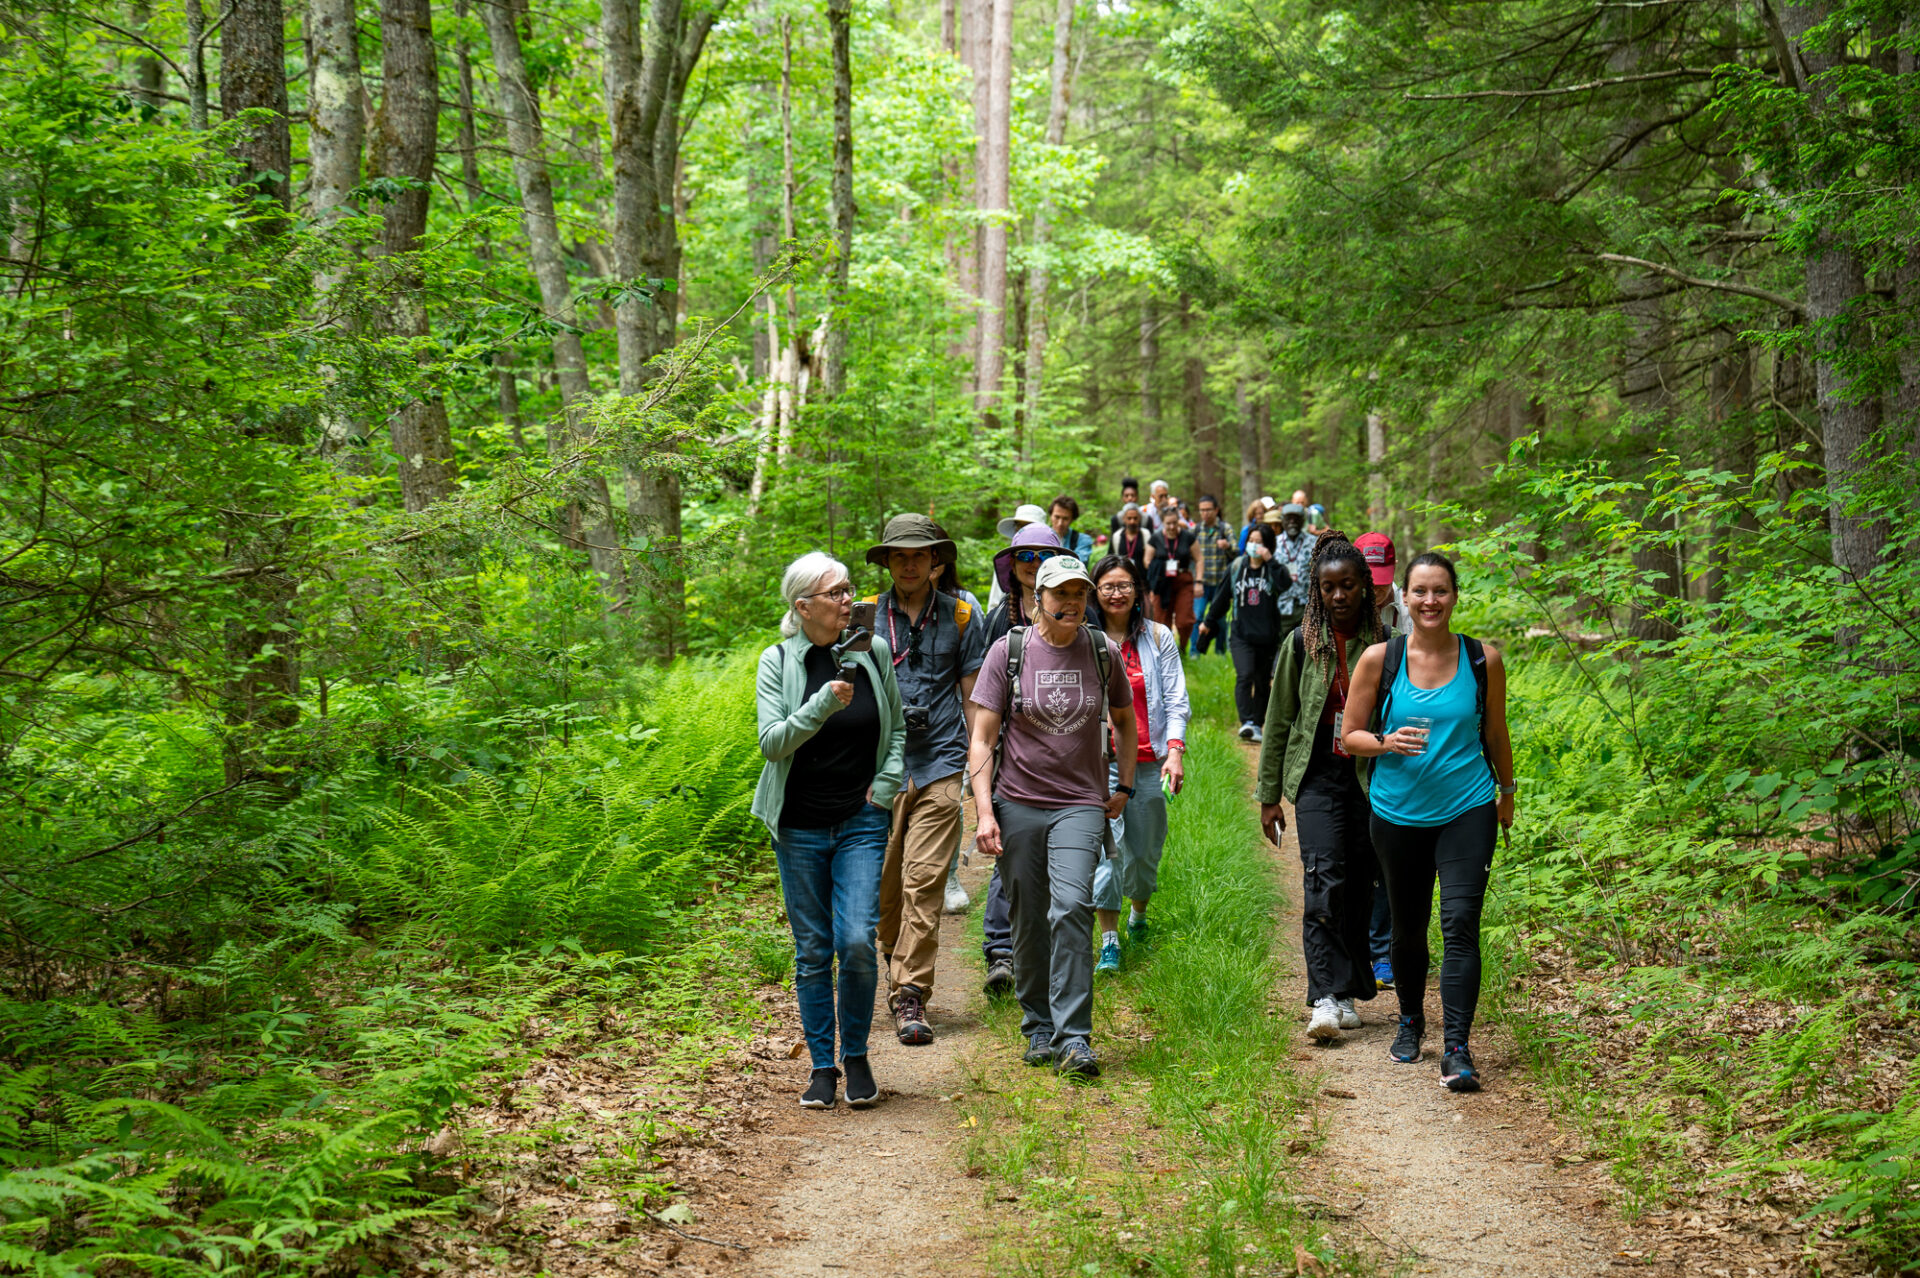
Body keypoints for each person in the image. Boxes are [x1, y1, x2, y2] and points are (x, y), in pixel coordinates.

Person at [1341, 551, 1516, 1094]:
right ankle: (1411, 1019)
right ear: (1404, 597)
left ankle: (1459, 1046)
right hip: (1397, 815)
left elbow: (1495, 733)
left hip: (1467, 809)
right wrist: (1385, 742)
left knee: (1461, 924)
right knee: (1408, 928)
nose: (1430, 601)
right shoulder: (1379, 658)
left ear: (1455, 596)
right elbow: (1349, 736)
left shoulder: (1482, 659)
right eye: (1420, 591)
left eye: (1440, 591)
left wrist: (1506, 792)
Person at [968, 555, 1136, 1078]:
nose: (1070, 603)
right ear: (1037, 598)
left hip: (1080, 804)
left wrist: (1124, 785)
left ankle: (1074, 1038)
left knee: (1070, 907)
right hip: (1018, 801)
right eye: (1059, 594)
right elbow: (982, 738)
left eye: (1078, 594)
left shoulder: (1102, 651)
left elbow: (1126, 723)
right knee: (1027, 913)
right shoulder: (1009, 652)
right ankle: (1038, 1026)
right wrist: (984, 812)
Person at [753, 553, 906, 1110]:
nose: (850, 600)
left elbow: (895, 726)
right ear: (803, 607)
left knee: (857, 940)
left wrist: (886, 785)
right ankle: (823, 1067)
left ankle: (858, 1053)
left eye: (849, 591)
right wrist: (823, 703)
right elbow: (772, 743)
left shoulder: (873, 651)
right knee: (815, 948)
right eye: (836, 593)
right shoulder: (777, 662)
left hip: (861, 818)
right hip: (797, 825)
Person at [1254, 532, 1390, 1044]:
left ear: (1364, 587)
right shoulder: (1300, 643)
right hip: (1317, 777)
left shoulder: (1386, 644)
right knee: (1322, 881)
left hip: (1372, 777)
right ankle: (1325, 998)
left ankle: (1348, 991)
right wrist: (1269, 796)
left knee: (1359, 884)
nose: (1338, 596)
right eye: (1328, 587)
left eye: (1348, 586)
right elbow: (1280, 717)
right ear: (1317, 590)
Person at [862, 516, 987, 1047]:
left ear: (936, 559)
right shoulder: (865, 616)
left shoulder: (961, 614)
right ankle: (897, 955)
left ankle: (910, 994)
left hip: (941, 761)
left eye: (919, 555)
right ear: (887, 561)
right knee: (886, 889)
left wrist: (981, 770)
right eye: (899, 555)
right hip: (880, 768)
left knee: (925, 879)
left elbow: (974, 697)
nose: (909, 564)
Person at [1088, 555, 1188, 974]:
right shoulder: (1084, 639)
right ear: (1095, 591)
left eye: (1124, 585)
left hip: (1149, 760)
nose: (1116, 593)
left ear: (1139, 591)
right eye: (1108, 585)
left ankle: (1139, 915)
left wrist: (1176, 752)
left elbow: (1175, 697)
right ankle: (1109, 939)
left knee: (1144, 853)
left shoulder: (1159, 636)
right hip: (1098, 763)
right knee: (1105, 854)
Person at [978, 522, 1064, 995]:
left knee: (1053, 857)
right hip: (1009, 755)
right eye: (1024, 558)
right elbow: (981, 699)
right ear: (1012, 567)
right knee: (1007, 851)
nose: (1032, 566)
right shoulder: (998, 622)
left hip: (1060, 754)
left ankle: (1040, 948)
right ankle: (1001, 951)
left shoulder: (1072, 616)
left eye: (1040, 557)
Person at [1197, 517, 1291, 741]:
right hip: (1241, 633)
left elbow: (1285, 585)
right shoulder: (1237, 567)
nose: (1254, 545)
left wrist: (1271, 561)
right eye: (1251, 540)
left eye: (1259, 542)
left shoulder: (1273, 569)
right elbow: (1221, 599)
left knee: (1262, 681)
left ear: (1268, 545)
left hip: (1267, 634)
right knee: (1245, 674)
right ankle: (1247, 721)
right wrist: (1208, 623)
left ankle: (1257, 723)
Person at [1189, 496, 1236, 656]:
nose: (1205, 513)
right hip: (1201, 583)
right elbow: (1189, 556)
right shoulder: (1195, 530)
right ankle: (1194, 651)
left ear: (1216, 510)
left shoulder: (1225, 529)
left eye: (1208, 509)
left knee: (1220, 620)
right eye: (1202, 510)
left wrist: (1228, 546)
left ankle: (1220, 651)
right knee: (1197, 616)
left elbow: (1237, 553)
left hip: (1220, 585)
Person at [1269, 503, 1315, 641]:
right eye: (1288, 518)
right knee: (1281, 650)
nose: (1292, 522)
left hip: (1307, 607)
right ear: (1282, 521)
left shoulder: (1314, 543)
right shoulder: (1273, 544)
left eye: (1296, 518)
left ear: (1303, 521)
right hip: (1281, 606)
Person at [988, 504, 1050, 606]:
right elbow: (994, 602)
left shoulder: (1052, 558)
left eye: (1030, 526)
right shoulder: (1007, 560)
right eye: (1020, 526)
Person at [1355, 532, 1412, 635]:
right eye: (1367, 582)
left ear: (1394, 567)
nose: (1374, 591)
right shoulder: (1346, 609)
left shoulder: (1410, 608)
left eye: (1381, 582)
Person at [1049, 495, 1095, 561]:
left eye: (1065, 519)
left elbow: (1079, 563)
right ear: (1051, 516)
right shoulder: (1041, 537)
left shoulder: (1082, 540)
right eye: (1057, 517)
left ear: (1072, 519)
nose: (1060, 523)